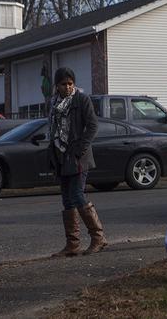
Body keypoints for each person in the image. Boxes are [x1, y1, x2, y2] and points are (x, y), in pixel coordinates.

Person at [49, 67, 106, 257]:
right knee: (67, 199)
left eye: (70, 83)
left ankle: (98, 238)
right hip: (61, 156)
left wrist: (80, 148)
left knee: (77, 194)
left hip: (78, 156)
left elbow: (93, 125)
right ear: (56, 86)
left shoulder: (81, 99)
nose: (67, 87)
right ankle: (72, 245)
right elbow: (53, 129)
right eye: (63, 84)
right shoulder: (53, 103)